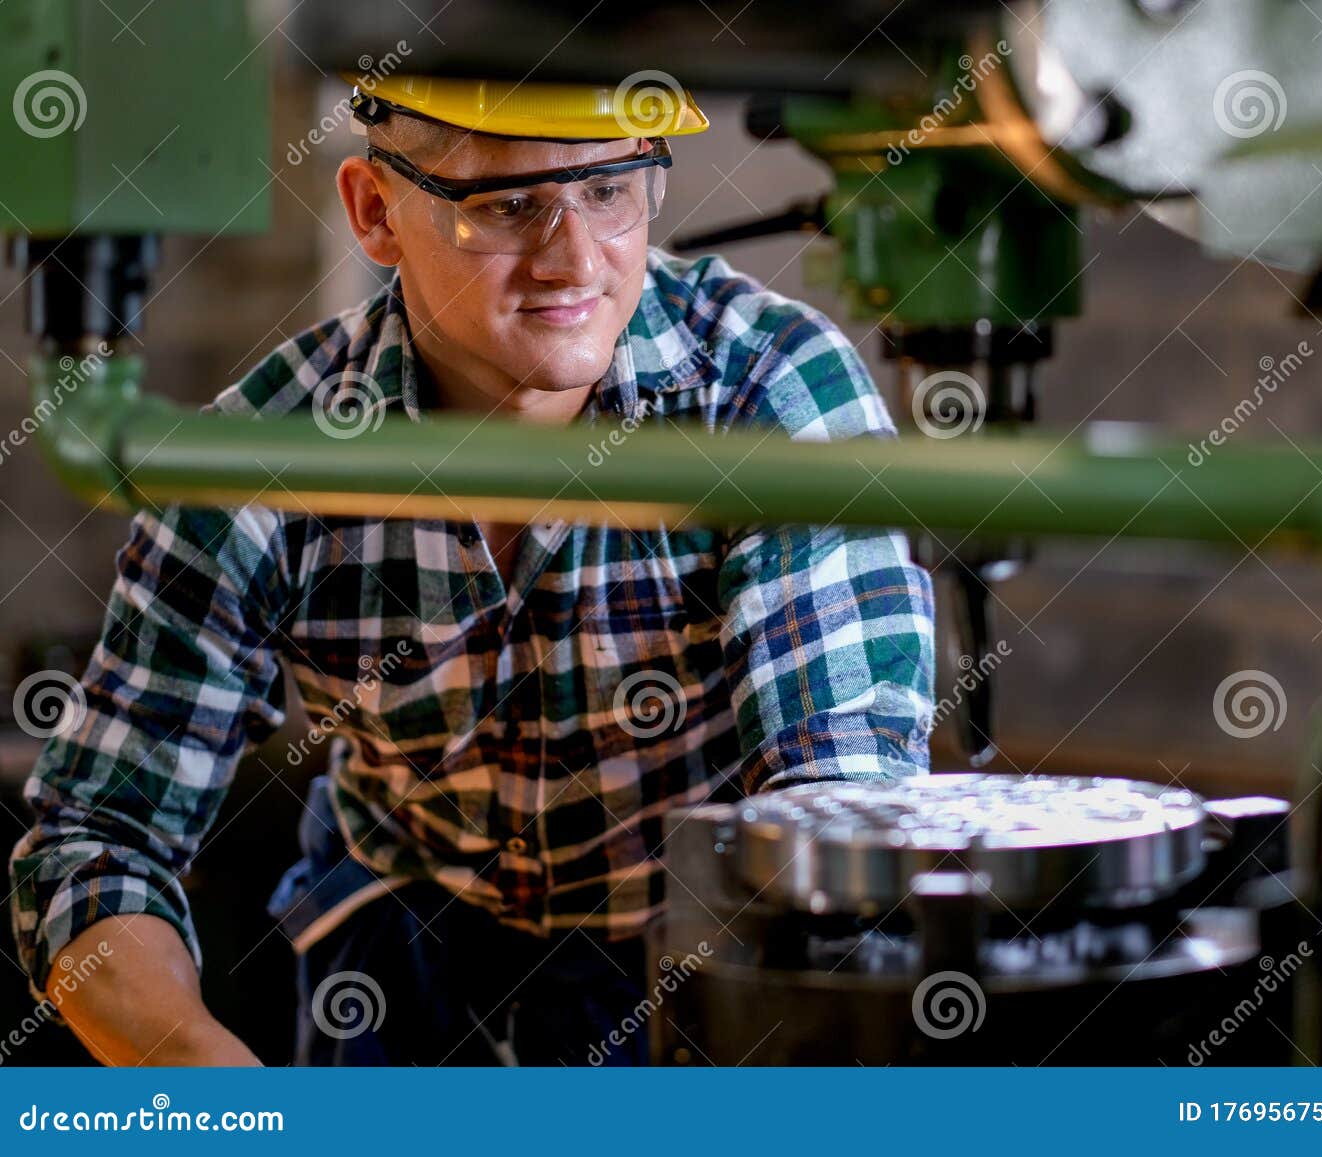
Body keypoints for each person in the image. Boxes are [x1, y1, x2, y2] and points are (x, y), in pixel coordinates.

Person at [9, 74, 936, 1066]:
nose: (573, 260)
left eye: (609, 191)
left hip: (694, 954)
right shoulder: (269, 454)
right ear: (374, 210)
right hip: (401, 953)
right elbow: (98, 838)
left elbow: (843, 803)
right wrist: (199, 1071)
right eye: (507, 206)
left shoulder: (769, 389)